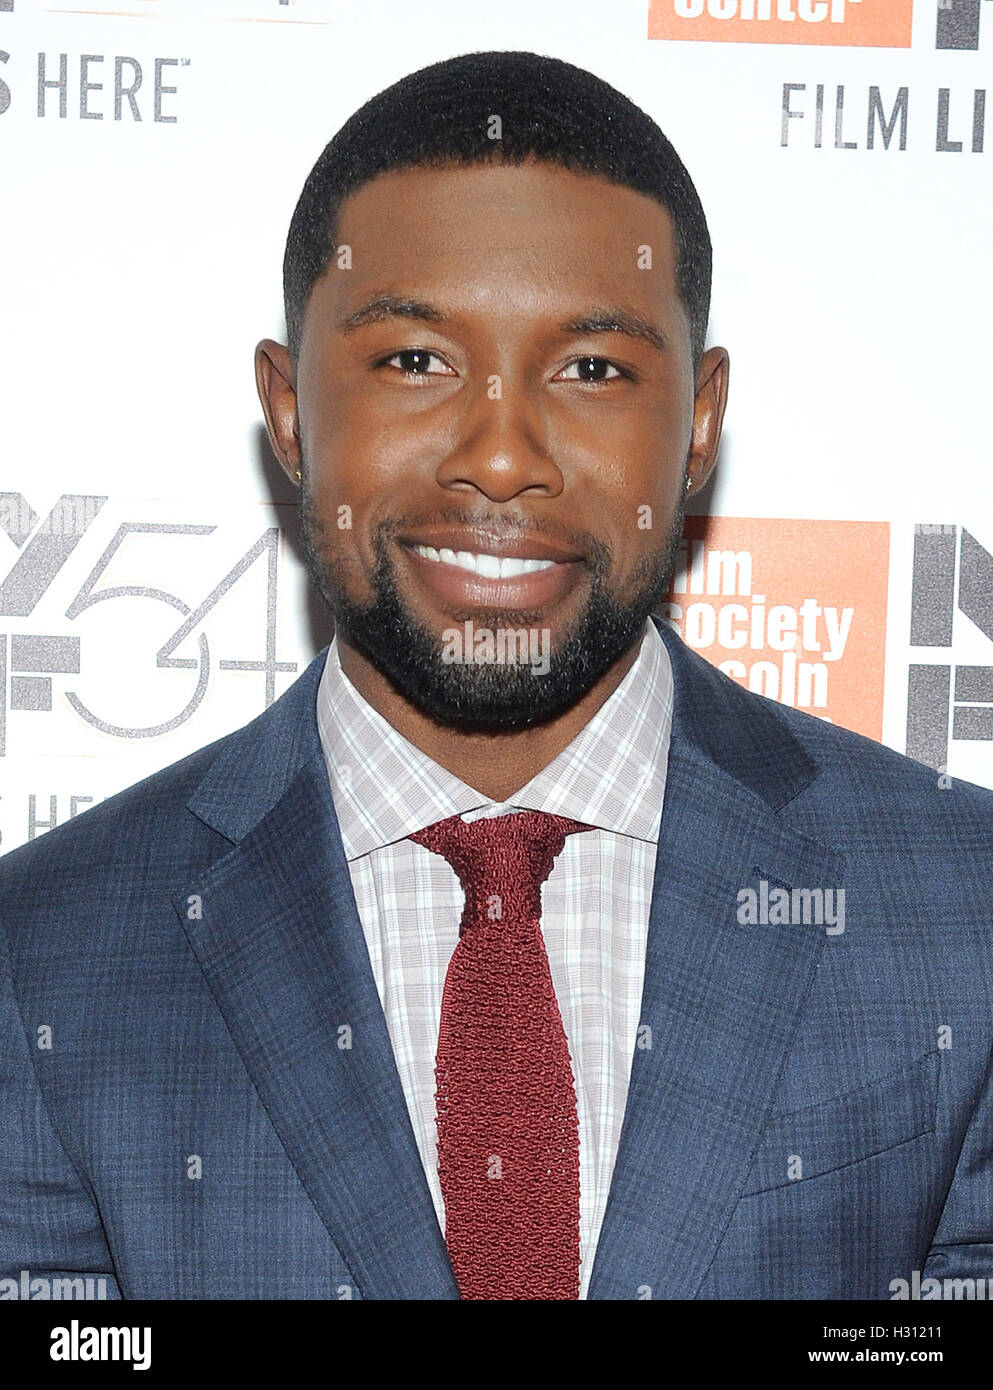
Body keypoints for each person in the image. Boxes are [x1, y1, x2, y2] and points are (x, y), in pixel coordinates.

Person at [2, 48, 992, 1303]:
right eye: (415, 359)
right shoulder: (41, 958)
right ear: (291, 407)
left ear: (698, 421)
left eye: (591, 369)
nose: (504, 456)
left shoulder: (964, 910)